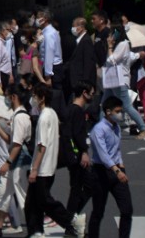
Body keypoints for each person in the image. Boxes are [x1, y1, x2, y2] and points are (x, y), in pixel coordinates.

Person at [24, 82, 75, 237]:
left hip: (42, 169)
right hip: (49, 167)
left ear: (42, 98)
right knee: (32, 204)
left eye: (34, 96)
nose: (32, 99)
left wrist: (34, 169)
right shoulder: (52, 114)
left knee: (45, 201)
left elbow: (41, 146)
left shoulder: (44, 118)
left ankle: (70, 222)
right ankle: (35, 232)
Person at [0, 85, 31, 238]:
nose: (6, 99)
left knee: (22, 195)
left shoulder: (20, 117)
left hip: (18, 163)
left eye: (7, 95)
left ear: (14, 97)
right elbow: (11, 140)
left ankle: (35, 228)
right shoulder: (16, 116)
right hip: (15, 162)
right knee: (4, 194)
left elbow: (17, 144)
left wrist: (7, 162)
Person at [87, 96, 132, 238]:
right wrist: (117, 170)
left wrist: (121, 165)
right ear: (108, 111)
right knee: (98, 211)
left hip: (117, 170)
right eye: (117, 111)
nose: (120, 114)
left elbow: (117, 150)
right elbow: (103, 154)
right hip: (101, 173)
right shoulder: (98, 130)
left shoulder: (116, 127)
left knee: (127, 209)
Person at [104, 22, 145, 139]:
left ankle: (143, 127)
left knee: (126, 106)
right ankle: (103, 128)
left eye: (112, 33)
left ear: (116, 33)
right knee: (104, 104)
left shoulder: (123, 44)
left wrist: (109, 46)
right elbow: (129, 58)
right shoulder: (120, 45)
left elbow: (111, 60)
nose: (110, 36)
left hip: (119, 80)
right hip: (113, 79)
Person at [65, 82, 95, 232]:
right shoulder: (77, 111)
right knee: (87, 186)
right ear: (84, 92)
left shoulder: (70, 109)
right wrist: (84, 152)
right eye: (91, 93)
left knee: (76, 189)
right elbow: (77, 134)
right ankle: (69, 218)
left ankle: (70, 220)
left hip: (71, 155)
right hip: (77, 156)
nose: (92, 96)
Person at [35, 9, 66, 104]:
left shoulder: (49, 33)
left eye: (38, 17)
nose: (37, 19)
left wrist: (48, 76)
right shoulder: (49, 32)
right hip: (54, 68)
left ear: (45, 19)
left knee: (54, 96)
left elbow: (49, 54)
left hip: (53, 69)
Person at [67, 18, 97, 96]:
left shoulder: (86, 41)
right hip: (77, 81)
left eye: (74, 26)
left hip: (82, 82)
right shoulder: (79, 40)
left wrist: (85, 83)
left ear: (80, 27)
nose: (73, 29)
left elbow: (88, 63)